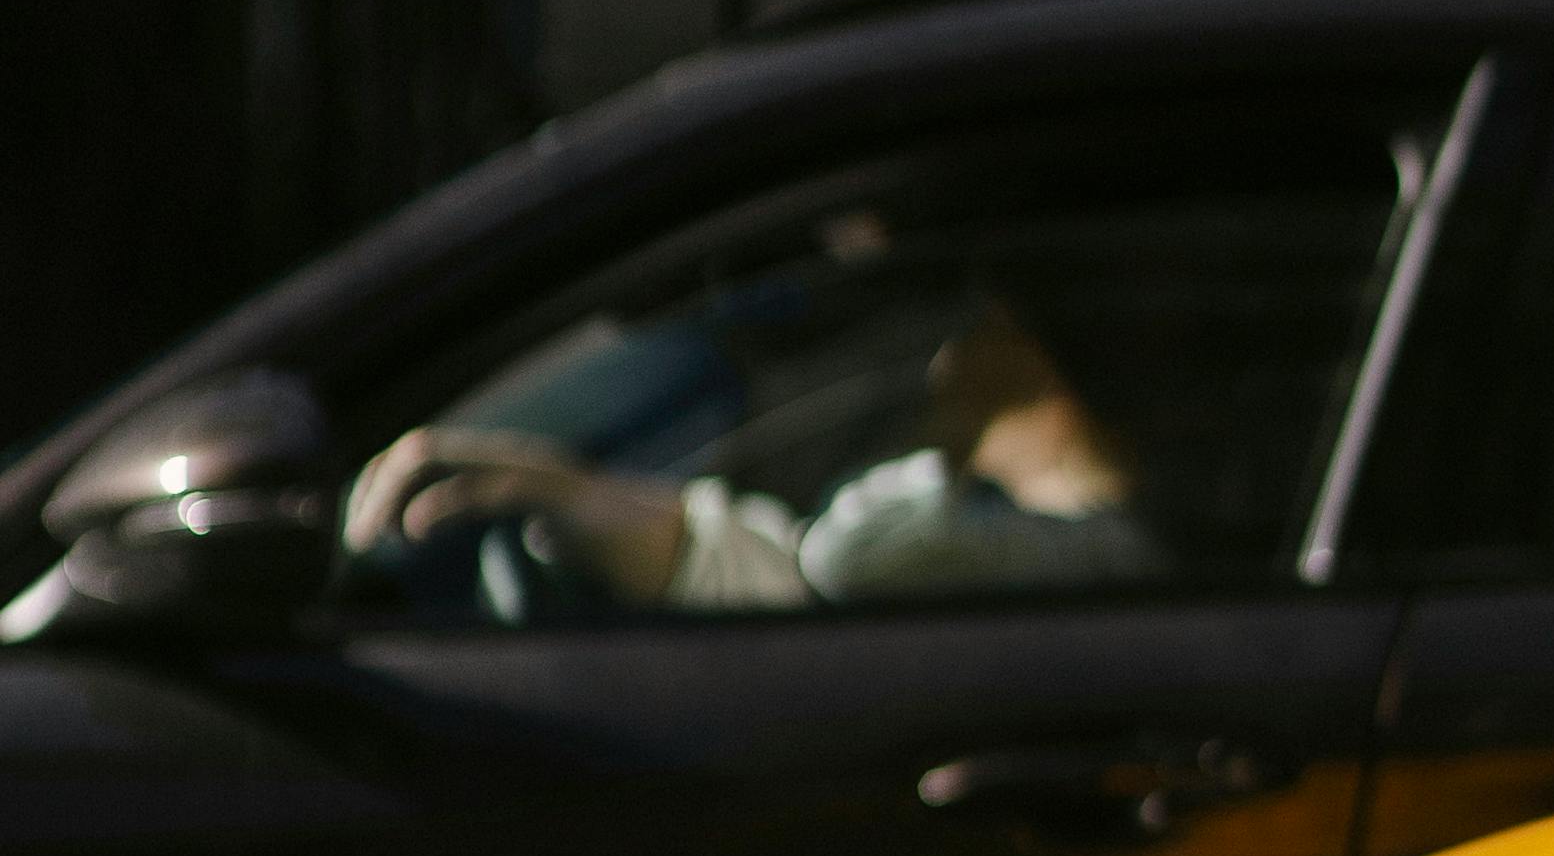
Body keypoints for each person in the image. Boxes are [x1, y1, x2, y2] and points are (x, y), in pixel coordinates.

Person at [344, 299, 1172, 611]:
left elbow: (840, 561)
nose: (942, 353)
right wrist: (562, 492)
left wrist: (949, 447)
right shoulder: (1050, 535)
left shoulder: (1092, 548)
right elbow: (772, 570)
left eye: (987, 326)